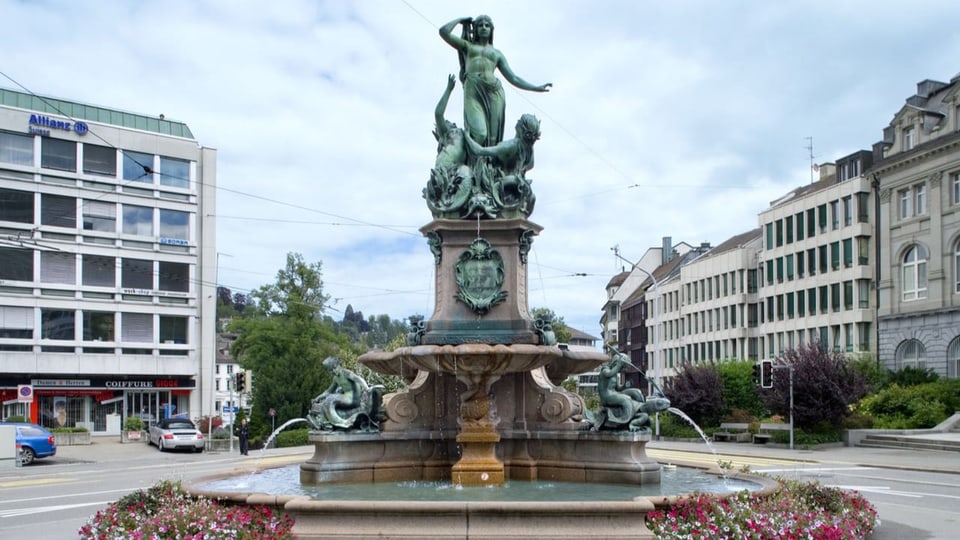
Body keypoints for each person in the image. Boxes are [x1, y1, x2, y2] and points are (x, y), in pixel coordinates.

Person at [439, 15, 551, 147]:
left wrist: (535, 88)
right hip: (473, 90)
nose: (484, 28)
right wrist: (460, 20)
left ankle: (487, 165)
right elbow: (444, 32)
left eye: (487, 25)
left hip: (494, 93)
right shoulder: (468, 47)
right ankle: (468, 160)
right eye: (480, 25)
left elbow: (513, 78)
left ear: (492, 30)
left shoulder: (497, 54)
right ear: (475, 29)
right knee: (480, 134)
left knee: (493, 138)